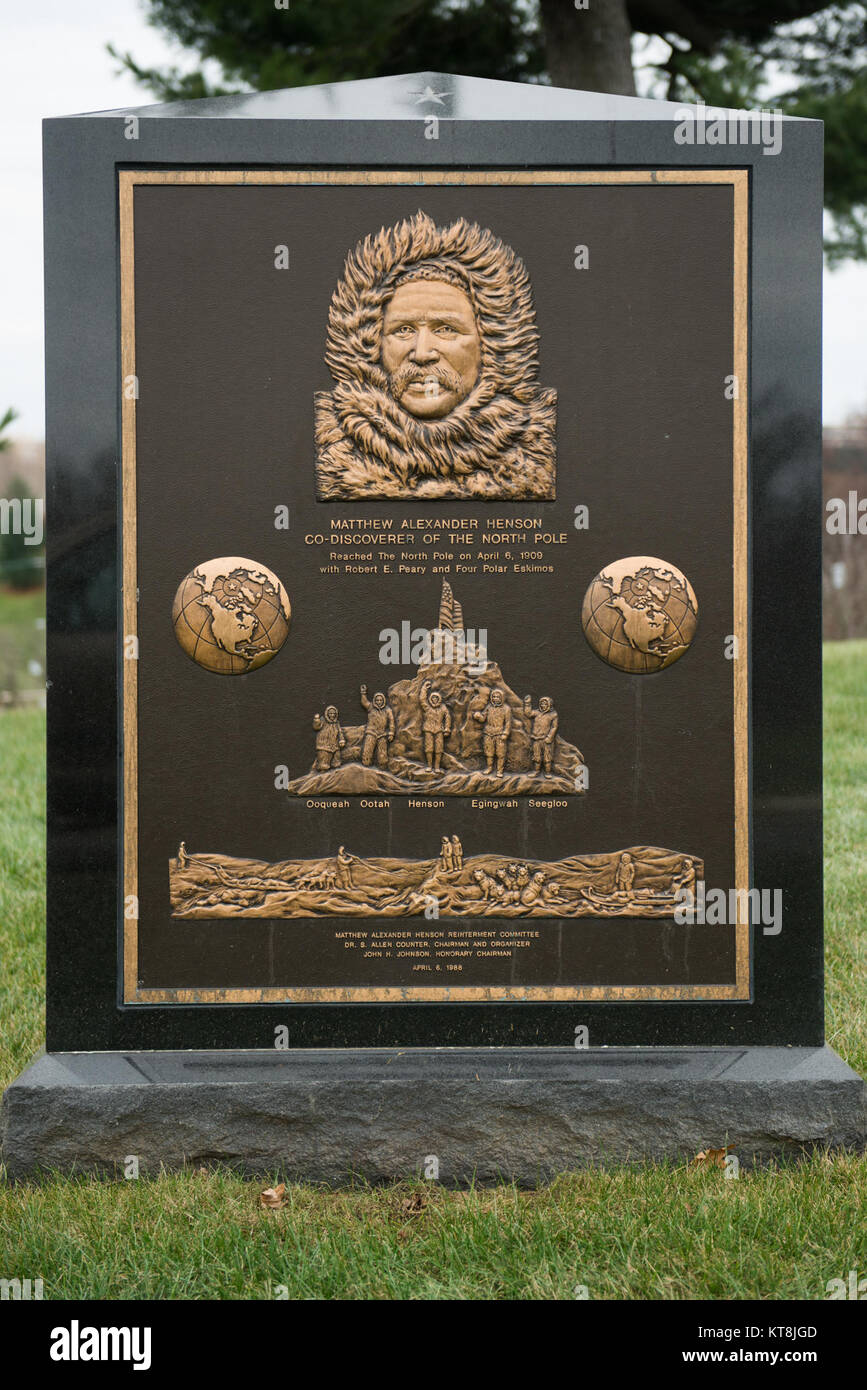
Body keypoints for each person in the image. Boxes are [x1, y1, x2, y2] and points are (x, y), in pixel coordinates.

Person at [315, 211, 557, 500]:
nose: (422, 353)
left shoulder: (534, 458)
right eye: (403, 330)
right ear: (370, 345)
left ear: (493, 346)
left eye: (445, 329)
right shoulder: (332, 453)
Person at [473, 688, 512, 776]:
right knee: (489, 752)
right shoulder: (489, 707)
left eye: (498, 697)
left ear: (502, 698)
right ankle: (489, 768)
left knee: (500, 753)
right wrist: (478, 716)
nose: (495, 699)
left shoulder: (506, 709)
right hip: (488, 733)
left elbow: (508, 723)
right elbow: (483, 718)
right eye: (494, 697)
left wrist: (505, 733)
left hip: (500, 734)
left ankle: (499, 771)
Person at [359, 685, 395, 768]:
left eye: (380, 700)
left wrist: (391, 732)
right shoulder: (371, 707)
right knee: (367, 751)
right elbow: (364, 702)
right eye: (377, 700)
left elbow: (392, 721)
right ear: (374, 700)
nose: (379, 702)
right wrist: (363, 693)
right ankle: (366, 766)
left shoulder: (387, 710)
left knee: (382, 753)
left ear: (383, 700)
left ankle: (382, 767)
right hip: (371, 733)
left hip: (382, 734)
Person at [420, 680, 452, 773]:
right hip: (428, 730)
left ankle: (437, 767)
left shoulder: (443, 708)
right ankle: (429, 766)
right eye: (433, 698)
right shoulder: (427, 707)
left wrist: (447, 728)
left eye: (436, 698)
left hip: (439, 730)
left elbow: (448, 717)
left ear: (439, 699)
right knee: (429, 748)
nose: (434, 699)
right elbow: (422, 699)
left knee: (439, 749)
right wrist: (424, 689)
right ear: (430, 699)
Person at [523, 694, 558, 775]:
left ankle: (548, 772)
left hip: (546, 740)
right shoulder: (537, 712)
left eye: (545, 704)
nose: (543, 705)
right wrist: (527, 704)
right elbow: (528, 714)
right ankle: (536, 771)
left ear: (549, 705)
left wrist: (549, 737)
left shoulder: (553, 714)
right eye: (542, 703)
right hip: (536, 739)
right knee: (536, 756)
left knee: (547, 757)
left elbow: (554, 727)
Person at [313, 705, 345, 771]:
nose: (332, 715)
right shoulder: (322, 721)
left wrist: (341, 740)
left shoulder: (336, 723)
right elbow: (316, 727)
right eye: (330, 713)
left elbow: (340, 732)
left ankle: (335, 772)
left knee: (337, 759)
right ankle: (323, 774)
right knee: (324, 761)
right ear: (327, 713)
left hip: (334, 745)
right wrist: (316, 720)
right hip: (324, 745)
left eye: (334, 713)